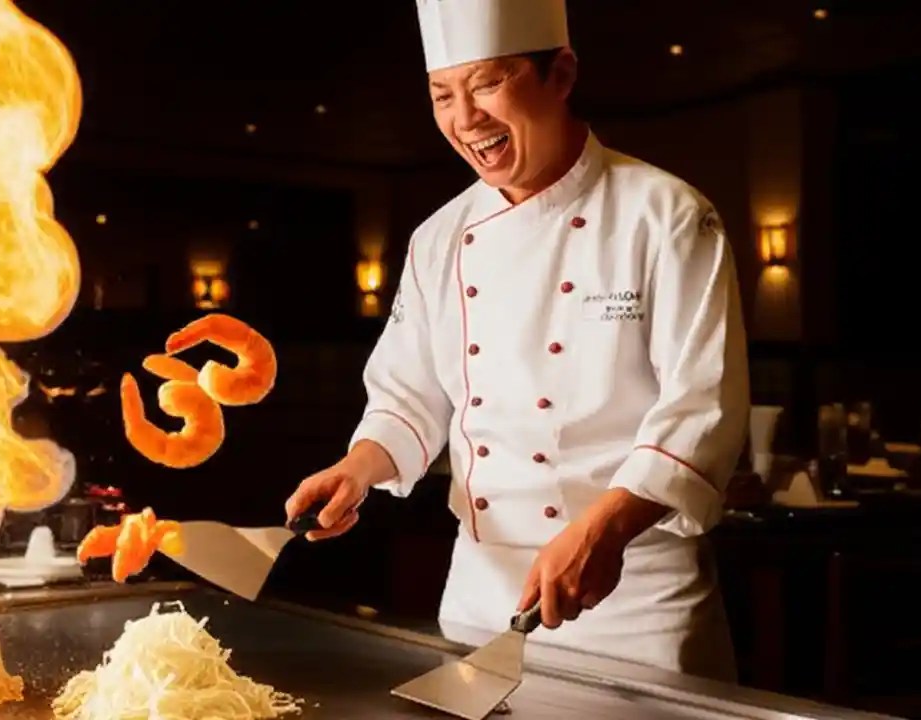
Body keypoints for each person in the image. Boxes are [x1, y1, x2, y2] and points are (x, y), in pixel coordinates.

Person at [284, 0, 750, 682]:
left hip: (634, 598)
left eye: (487, 84)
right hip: (480, 592)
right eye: (443, 95)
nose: (464, 118)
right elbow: (408, 396)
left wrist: (604, 527)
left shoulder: (668, 216)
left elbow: (701, 406)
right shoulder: (438, 238)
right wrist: (359, 469)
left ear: (560, 74)